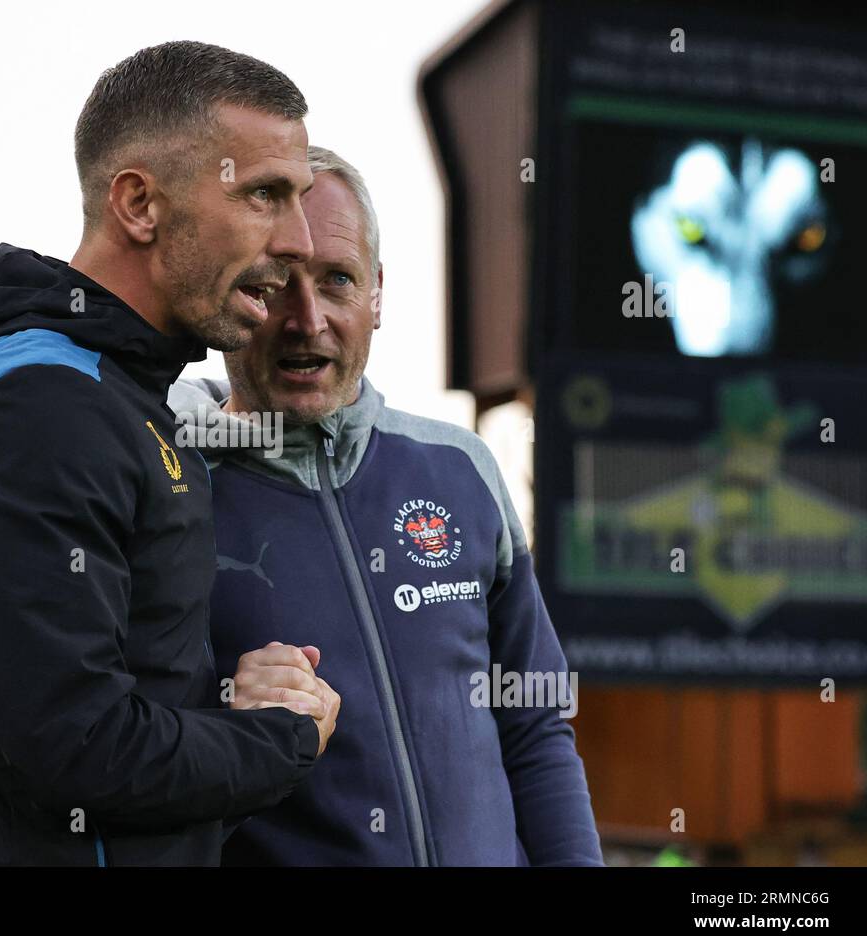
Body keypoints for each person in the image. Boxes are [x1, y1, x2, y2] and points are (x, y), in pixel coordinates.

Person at [0, 41, 340, 866]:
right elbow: (81, 750)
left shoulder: (105, 392)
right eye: (264, 195)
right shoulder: (41, 407)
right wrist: (279, 739)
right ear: (139, 204)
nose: (295, 238)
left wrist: (230, 699)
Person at [170, 146, 602, 865]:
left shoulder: (461, 469)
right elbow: (122, 779)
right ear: (228, 301)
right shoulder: (167, 488)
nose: (306, 320)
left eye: (336, 280)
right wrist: (229, 737)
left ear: (377, 294)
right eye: (273, 283)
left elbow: (536, 726)